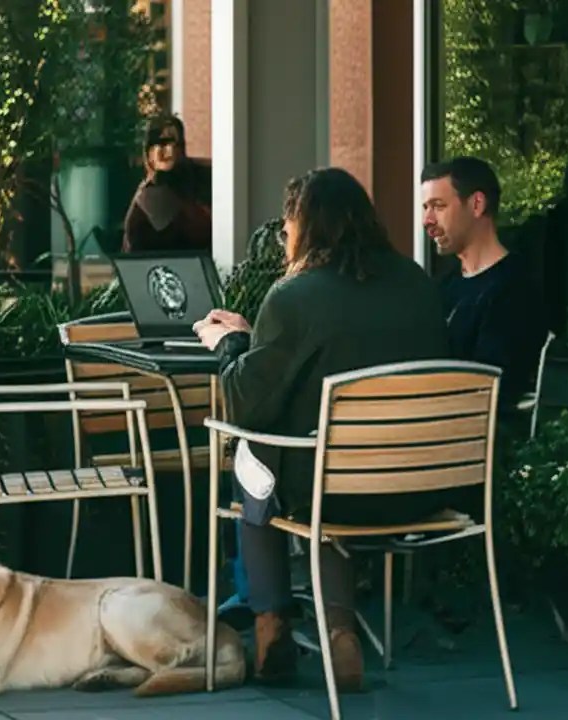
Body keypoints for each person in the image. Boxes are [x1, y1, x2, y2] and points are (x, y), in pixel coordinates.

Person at [193, 167, 452, 691]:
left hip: (328, 493)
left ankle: (270, 626)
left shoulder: (295, 297)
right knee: (327, 466)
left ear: (306, 225)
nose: (285, 237)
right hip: (421, 492)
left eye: (288, 225)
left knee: (253, 456)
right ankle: (339, 629)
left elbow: (245, 402)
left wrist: (230, 343)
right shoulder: (418, 284)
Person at [420, 156, 548, 409]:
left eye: (438, 206)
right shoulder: (443, 287)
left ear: (477, 204)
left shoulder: (514, 290)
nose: (427, 220)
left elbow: (493, 391)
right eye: (425, 207)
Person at [120, 115, 211, 253]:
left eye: (177, 143)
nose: (171, 149)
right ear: (148, 151)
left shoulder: (197, 178)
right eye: (162, 142)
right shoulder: (150, 193)